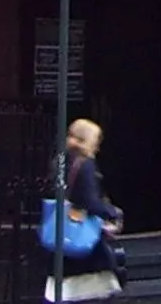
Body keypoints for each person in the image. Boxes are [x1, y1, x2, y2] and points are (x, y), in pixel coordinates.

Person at [43, 119, 126, 303]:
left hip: (63, 233)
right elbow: (89, 200)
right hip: (82, 236)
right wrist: (112, 212)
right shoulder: (85, 163)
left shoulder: (61, 160)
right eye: (96, 141)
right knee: (98, 292)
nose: (97, 147)